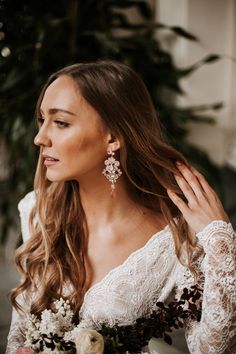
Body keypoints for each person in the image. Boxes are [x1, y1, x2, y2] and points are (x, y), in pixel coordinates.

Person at [6, 60, 236, 354]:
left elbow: (211, 350)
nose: (40, 138)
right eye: (42, 120)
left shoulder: (175, 241)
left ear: (112, 138)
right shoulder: (39, 210)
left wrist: (220, 242)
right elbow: (21, 329)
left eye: (60, 122)